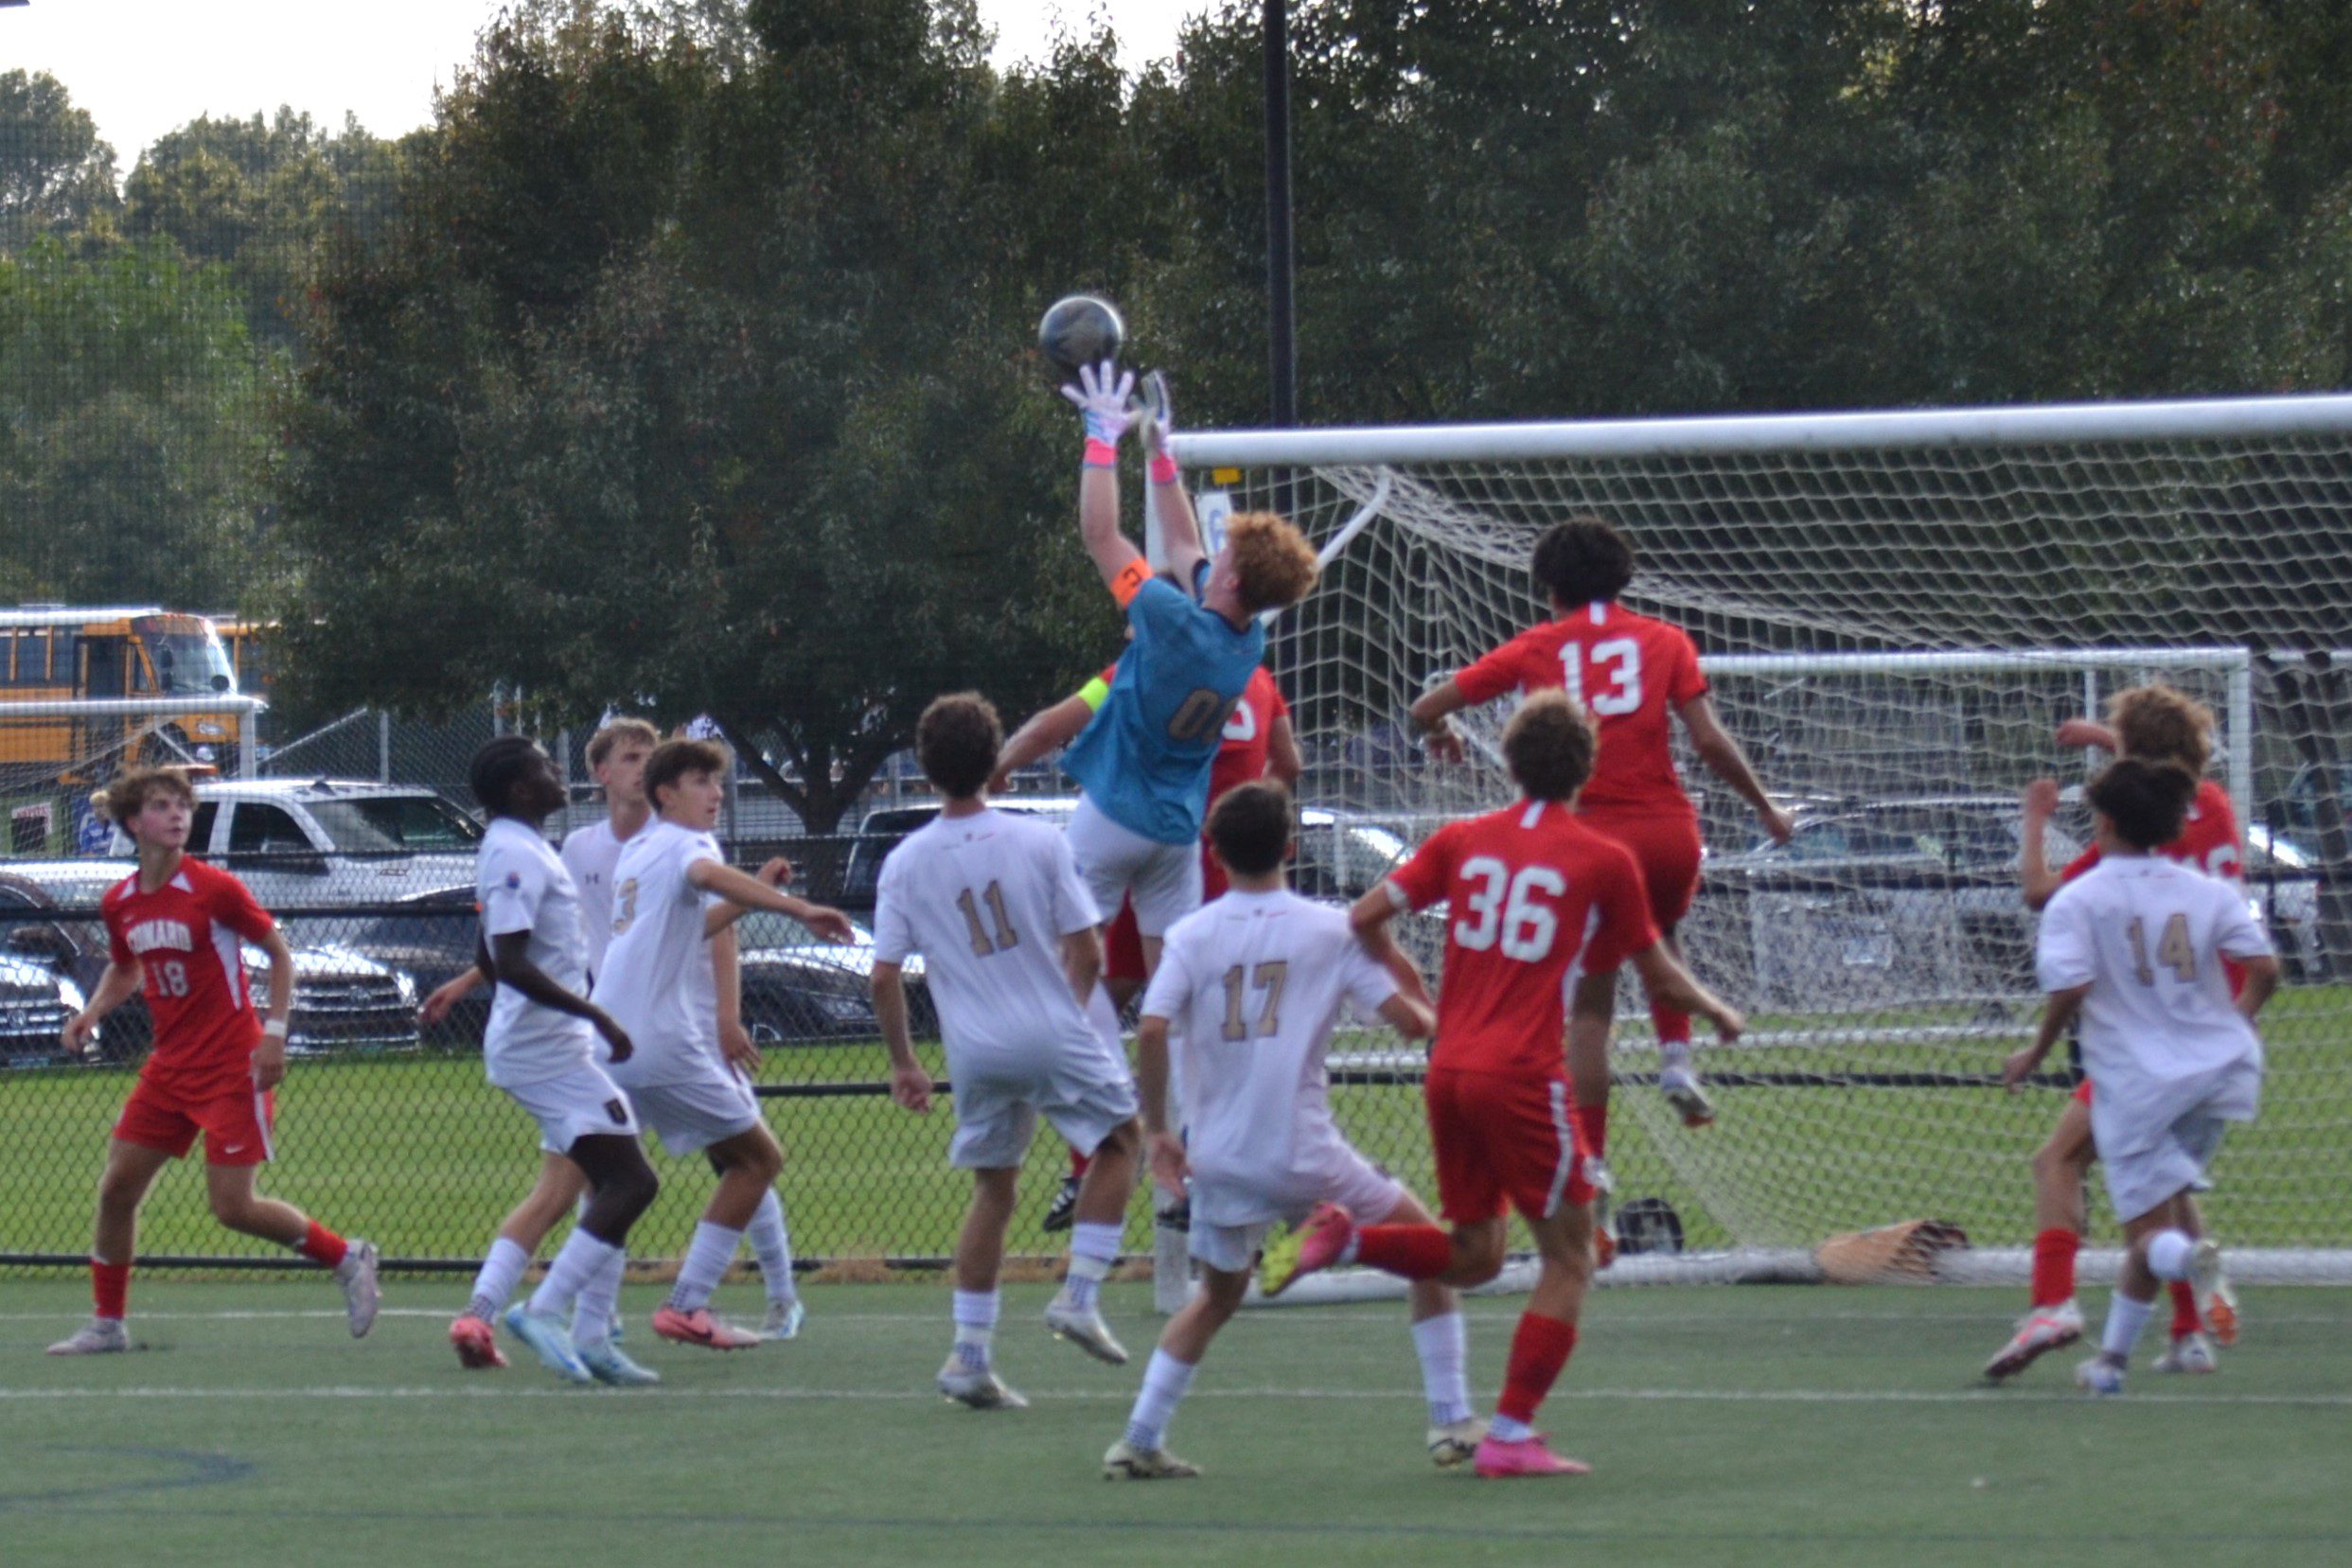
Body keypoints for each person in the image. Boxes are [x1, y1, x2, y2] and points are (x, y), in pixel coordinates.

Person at [1282, 692, 1744, 1477]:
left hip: (1450, 1070)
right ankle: (1508, 1433)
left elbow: (1359, 916)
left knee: (1475, 1255)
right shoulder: (1601, 858)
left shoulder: (1462, 839)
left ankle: (1348, 1238)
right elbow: (1660, 977)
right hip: (1524, 1078)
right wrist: (1716, 1008)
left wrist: (1409, 978)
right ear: (1584, 768)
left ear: (1510, 760)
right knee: (1572, 1258)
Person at [1104, 780, 1477, 1480]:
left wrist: (1159, 1131)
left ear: (1212, 853)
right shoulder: (1328, 928)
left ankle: (1138, 1438)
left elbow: (1150, 1026)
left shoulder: (1188, 934)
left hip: (1220, 1159)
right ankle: (1450, 1418)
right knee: (1430, 1253)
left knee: (1215, 1297)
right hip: (1306, 1157)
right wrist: (1406, 971)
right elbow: (1410, 1021)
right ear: (1292, 847)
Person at [1408, 516, 1787, 1199]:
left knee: (1590, 1010)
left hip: (1586, 841)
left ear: (1548, 586)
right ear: (1623, 575)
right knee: (1660, 936)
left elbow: (1423, 705)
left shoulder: (1535, 645)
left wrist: (1442, 731)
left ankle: (1591, 1158)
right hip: (1668, 832)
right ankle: (1676, 1058)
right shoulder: (1665, 639)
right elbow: (1706, 741)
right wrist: (1764, 805)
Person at [47, 766, 381, 1356]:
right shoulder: (120, 902)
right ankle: (107, 1323)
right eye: (160, 805)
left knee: (232, 1207)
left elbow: (279, 954)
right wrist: (91, 1012)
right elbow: (127, 968)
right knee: (116, 1190)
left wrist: (274, 1034)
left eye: (182, 804)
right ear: (134, 823)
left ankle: (346, 1256)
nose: (177, 814)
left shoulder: (214, 888)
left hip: (233, 1065)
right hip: (169, 1069)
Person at [871, 694, 1146, 1406]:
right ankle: (1080, 1293)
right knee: (1123, 1138)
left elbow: (883, 972)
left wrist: (904, 1060)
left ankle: (968, 1353)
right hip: (1047, 1028)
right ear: (995, 762)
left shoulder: (904, 859)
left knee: (994, 1189)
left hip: (973, 1049)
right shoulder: (1038, 839)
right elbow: (1084, 949)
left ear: (926, 770)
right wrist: (1070, 1019)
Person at [1989, 685, 2249, 1381]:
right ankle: (2188, 1330)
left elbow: (2041, 894)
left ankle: (2054, 1304)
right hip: (2213, 1033)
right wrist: (2112, 743)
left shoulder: (2122, 858)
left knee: (2060, 1162)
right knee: (2162, 1181)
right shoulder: (2214, 808)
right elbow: (2171, 781)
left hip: (2143, 1036)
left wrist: (2035, 819)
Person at [997, 651, 1301, 1231]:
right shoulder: (1257, 679)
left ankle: (1104, 1151)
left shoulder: (1143, 667)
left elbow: (1052, 724)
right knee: (1204, 1020)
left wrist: (1000, 765)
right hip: (1213, 862)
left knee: (1088, 995)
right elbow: (1288, 763)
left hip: (1149, 846)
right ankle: (1218, 1164)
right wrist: (1248, 812)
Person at [591, 737, 853, 1351]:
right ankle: (687, 1304)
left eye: (717, 782)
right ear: (665, 794)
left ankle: (579, 1315)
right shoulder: (689, 845)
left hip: (609, 1039)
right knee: (757, 1159)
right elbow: (705, 874)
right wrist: (797, 906)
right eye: (701, 782)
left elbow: (694, 921)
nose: (715, 794)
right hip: (660, 1042)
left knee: (615, 1181)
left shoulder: (638, 850)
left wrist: (751, 891)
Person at [432, 716, 656, 1370]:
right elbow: (512, 960)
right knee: (632, 1180)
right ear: (518, 788)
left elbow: (492, 948)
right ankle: (552, 1311)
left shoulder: (522, 845)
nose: (557, 775)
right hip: (548, 1050)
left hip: (550, 1044)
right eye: (543, 768)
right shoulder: (513, 851)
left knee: (572, 1187)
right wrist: (600, 1017)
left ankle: (496, 1317)